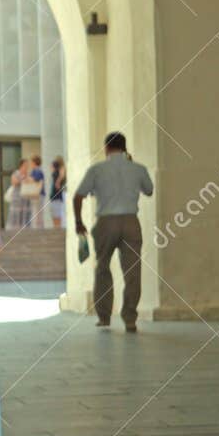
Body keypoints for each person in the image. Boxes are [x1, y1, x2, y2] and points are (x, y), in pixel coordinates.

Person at [72, 131, 154, 331]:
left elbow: (78, 196)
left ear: (106, 148)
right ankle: (130, 319)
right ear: (125, 147)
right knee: (132, 271)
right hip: (131, 222)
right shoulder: (138, 168)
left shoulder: (97, 170)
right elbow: (149, 190)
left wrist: (78, 222)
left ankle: (104, 316)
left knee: (102, 268)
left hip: (106, 222)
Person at [49, 156, 66, 228]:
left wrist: (58, 182)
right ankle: (56, 228)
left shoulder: (57, 173)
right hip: (54, 197)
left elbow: (58, 184)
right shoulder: (56, 173)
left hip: (56, 197)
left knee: (57, 214)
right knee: (55, 214)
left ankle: (57, 228)